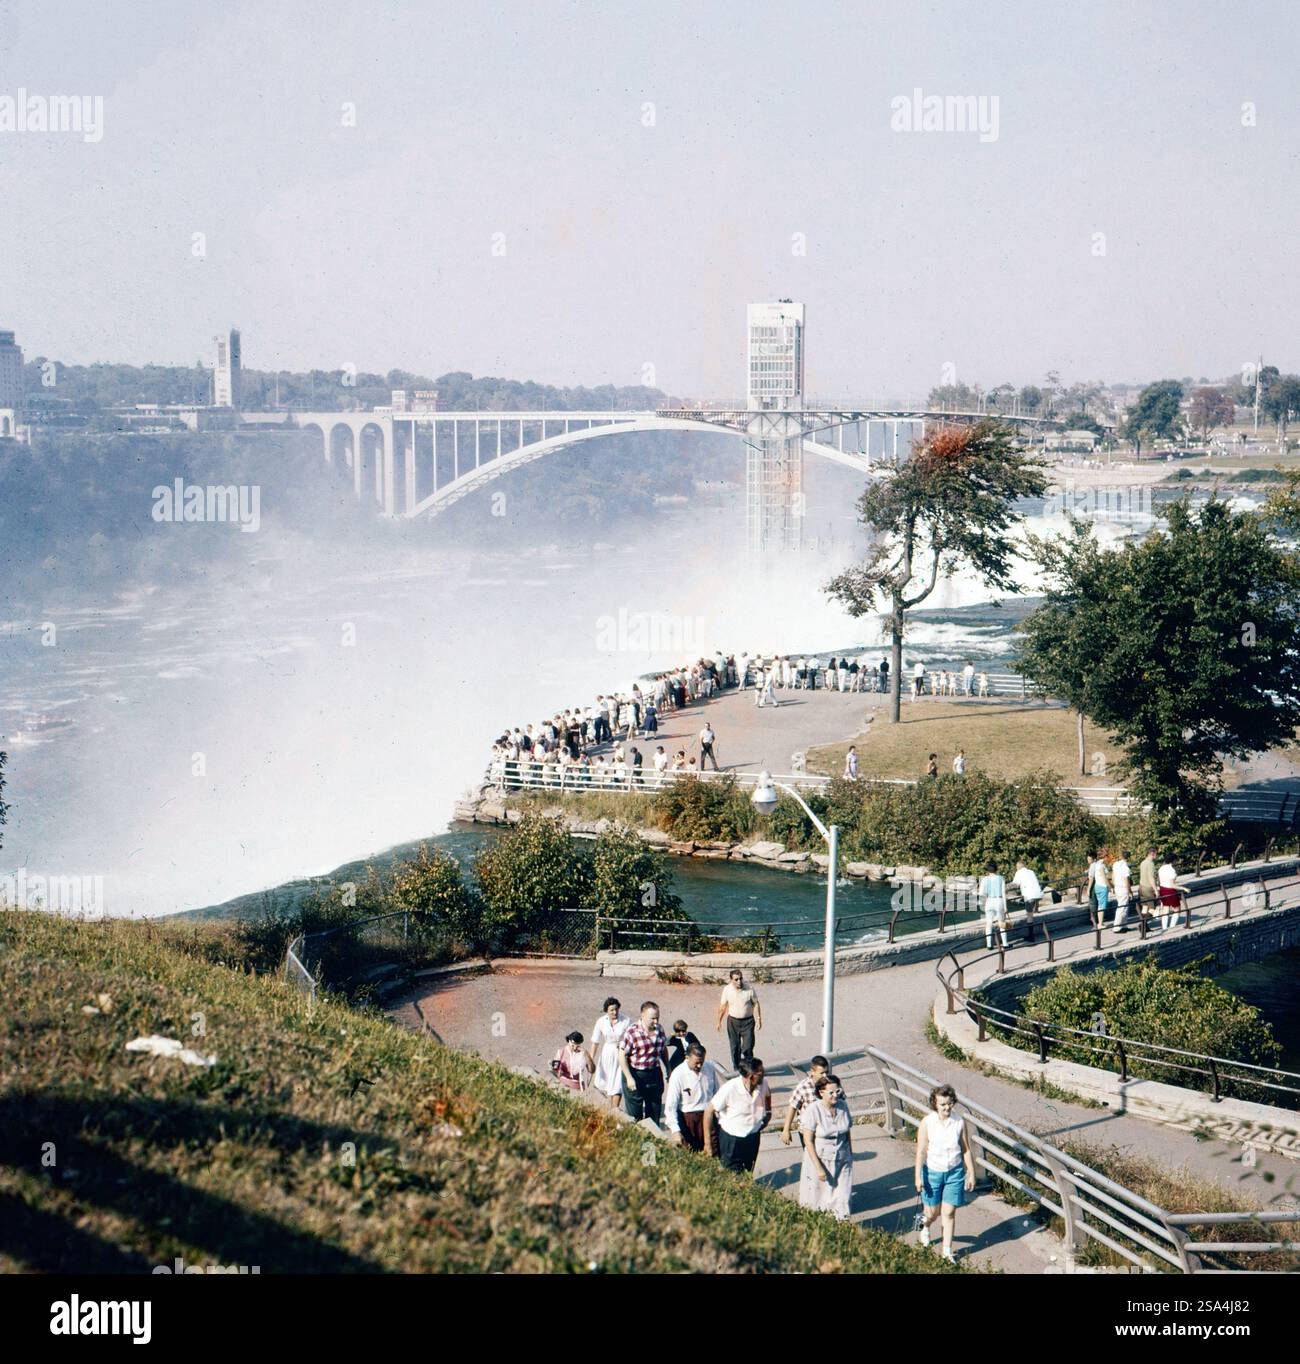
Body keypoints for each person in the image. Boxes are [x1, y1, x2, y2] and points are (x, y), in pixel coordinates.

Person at [914, 1083, 977, 1264]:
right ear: (935, 1104)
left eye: (949, 1103)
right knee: (932, 1213)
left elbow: (965, 1149)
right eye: (942, 1104)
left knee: (948, 1213)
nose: (947, 1108)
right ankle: (924, 1226)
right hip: (932, 1172)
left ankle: (947, 1252)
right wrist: (918, 1177)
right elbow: (920, 1152)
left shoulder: (959, 1122)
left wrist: (970, 1173)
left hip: (954, 1173)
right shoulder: (927, 1122)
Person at [798, 1074, 854, 1220]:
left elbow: (847, 1131)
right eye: (831, 1093)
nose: (835, 1095)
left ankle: (841, 1226)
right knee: (819, 1199)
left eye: (838, 1091)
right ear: (821, 1092)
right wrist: (818, 1168)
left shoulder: (843, 1106)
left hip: (843, 1159)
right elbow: (808, 1141)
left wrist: (850, 1154)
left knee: (843, 1197)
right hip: (822, 1160)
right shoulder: (813, 1110)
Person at [704, 1058, 772, 1175]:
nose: (764, 1074)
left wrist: (768, 1114)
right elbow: (708, 1111)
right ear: (751, 1076)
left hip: (752, 1138)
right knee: (731, 1176)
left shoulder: (763, 1083)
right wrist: (708, 1144)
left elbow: (767, 1095)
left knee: (747, 1173)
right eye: (761, 1072)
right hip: (732, 1140)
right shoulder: (730, 1088)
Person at [663, 1041, 722, 1153]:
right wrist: (675, 1131)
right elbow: (671, 1106)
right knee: (691, 1155)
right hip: (688, 1121)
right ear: (687, 1058)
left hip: (708, 1118)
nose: (699, 1066)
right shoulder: (678, 1074)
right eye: (696, 1063)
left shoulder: (709, 1068)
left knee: (713, 1153)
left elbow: (717, 1095)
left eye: (702, 1062)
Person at [618, 1000, 670, 1123]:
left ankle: (652, 1140)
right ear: (642, 1015)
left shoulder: (659, 1029)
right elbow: (622, 1055)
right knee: (635, 1115)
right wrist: (629, 1078)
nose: (656, 1022)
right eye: (652, 1019)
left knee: (654, 1112)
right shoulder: (632, 1032)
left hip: (654, 1073)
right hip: (635, 1074)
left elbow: (663, 1049)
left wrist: (668, 1068)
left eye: (657, 1018)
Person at [717, 968, 762, 1069]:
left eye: (741, 978)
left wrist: (759, 1019)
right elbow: (723, 1007)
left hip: (748, 1022)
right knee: (735, 1047)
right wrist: (718, 1022)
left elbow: (756, 1004)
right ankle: (737, 1068)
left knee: (748, 1047)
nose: (739, 981)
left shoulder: (749, 988)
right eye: (736, 979)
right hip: (733, 1022)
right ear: (731, 980)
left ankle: (749, 1068)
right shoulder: (727, 990)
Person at [779, 1054, 830, 1145]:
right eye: (822, 1073)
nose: (825, 1075)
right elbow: (793, 1106)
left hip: (827, 1129)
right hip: (808, 1131)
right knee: (811, 1158)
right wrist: (786, 1130)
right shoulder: (803, 1087)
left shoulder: (831, 1084)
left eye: (827, 1072)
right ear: (812, 1072)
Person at [589, 998, 630, 1108]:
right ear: (606, 1010)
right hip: (607, 1054)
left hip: (620, 1054)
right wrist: (591, 1059)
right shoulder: (601, 1021)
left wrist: (623, 1045)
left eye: (616, 1009)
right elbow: (595, 1041)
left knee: (617, 1084)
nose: (615, 1012)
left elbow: (630, 1038)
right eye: (611, 1010)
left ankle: (615, 1109)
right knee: (608, 1083)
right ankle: (610, 1109)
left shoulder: (626, 1020)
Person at [1011, 858, 1043, 943]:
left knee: (1029, 915)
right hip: (1037, 894)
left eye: (1016, 867)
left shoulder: (1019, 872)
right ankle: (1031, 935)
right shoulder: (1031, 871)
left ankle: (1031, 936)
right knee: (1030, 913)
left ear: (1018, 867)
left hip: (1029, 896)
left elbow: (1015, 884)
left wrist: (1005, 887)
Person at [979, 860, 1009, 950]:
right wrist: (1005, 906)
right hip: (999, 900)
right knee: (1002, 922)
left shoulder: (984, 879)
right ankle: (1005, 943)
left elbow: (981, 893)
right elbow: (1003, 893)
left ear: (988, 870)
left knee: (989, 923)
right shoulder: (1001, 878)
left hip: (989, 901)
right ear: (996, 869)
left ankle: (989, 945)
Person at [1111, 849, 1133, 932]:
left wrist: (1113, 885)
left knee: (1124, 907)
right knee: (1122, 907)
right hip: (1123, 888)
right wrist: (1129, 891)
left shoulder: (1116, 864)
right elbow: (1126, 880)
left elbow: (1113, 875)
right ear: (1129, 858)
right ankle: (1117, 927)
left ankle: (1124, 925)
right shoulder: (1125, 867)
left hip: (1117, 887)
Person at [1086, 851, 1110, 924]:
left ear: (1093, 859)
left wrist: (1088, 889)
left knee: (1093, 902)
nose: (1088, 861)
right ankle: (1098, 919)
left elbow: (1091, 878)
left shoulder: (1093, 865)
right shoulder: (1097, 864)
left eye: (1089, 860)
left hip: (1095, 885)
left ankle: (1094, 919)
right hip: (1099, 885)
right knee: (1099, 903)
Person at [1158, 855, 1181, 930]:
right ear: (1173, 861)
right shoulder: (1171, 870)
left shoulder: (1161, 868)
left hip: (1162, 889)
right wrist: (1184, 888)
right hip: (1170, 890)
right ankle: (1172, 926)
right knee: (1177, 909)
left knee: (1166, 908)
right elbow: (1172, 885)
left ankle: (1164, 927)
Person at [1139, 847, 1159, 927]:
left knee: (1144, 907)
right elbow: (1151, 878)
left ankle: (1145, 927)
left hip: (1141, 887)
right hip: (1148, 888)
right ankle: (1143, 924)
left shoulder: (1142, 862)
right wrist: (1155, 890)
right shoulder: (1151, 864)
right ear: (1152, 853)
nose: (1156, 856)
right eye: (1156, 854)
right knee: (1152, 908)